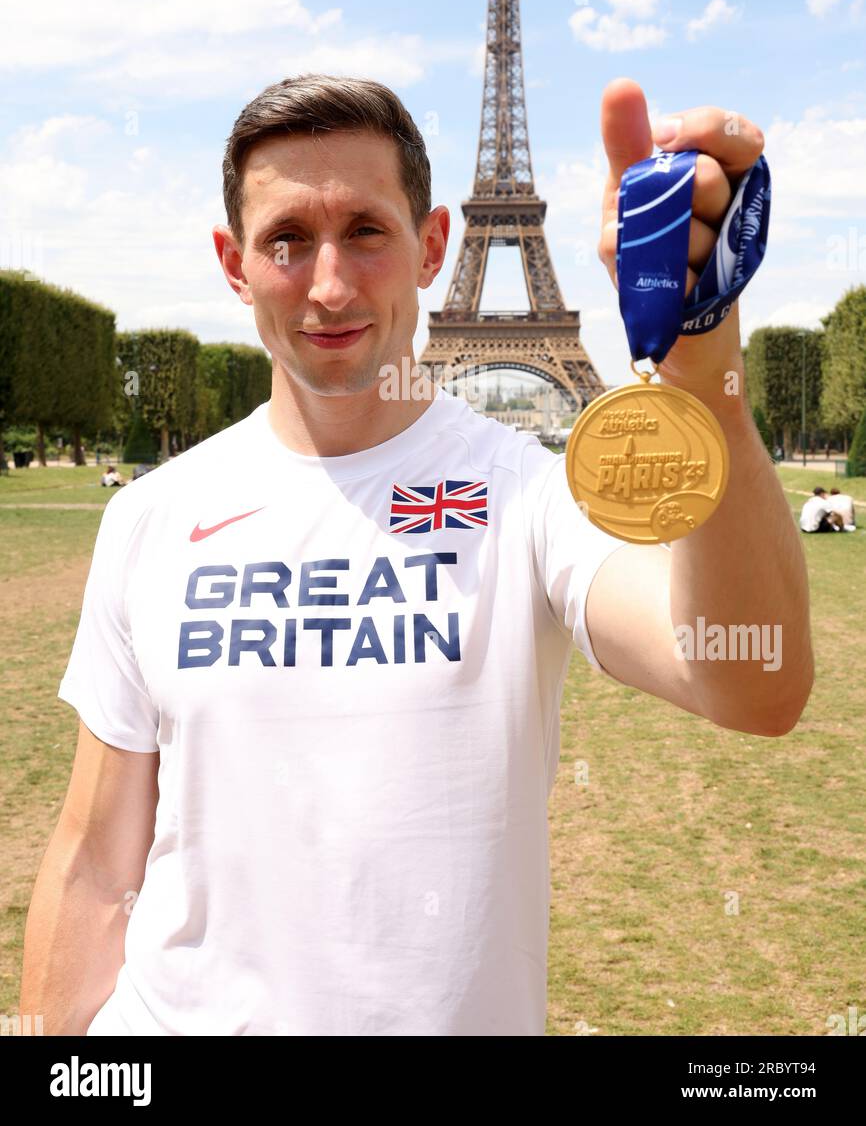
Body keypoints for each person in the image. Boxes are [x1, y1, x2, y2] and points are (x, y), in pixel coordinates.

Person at [20, 75, 814, 1037]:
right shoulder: (150, 517)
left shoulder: (529, 495)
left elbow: (753, 681)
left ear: (435, 245)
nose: (328, 284)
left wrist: (703, 360)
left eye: (365, 230)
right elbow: (98, 860)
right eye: (287, 240)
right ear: (234, 262)